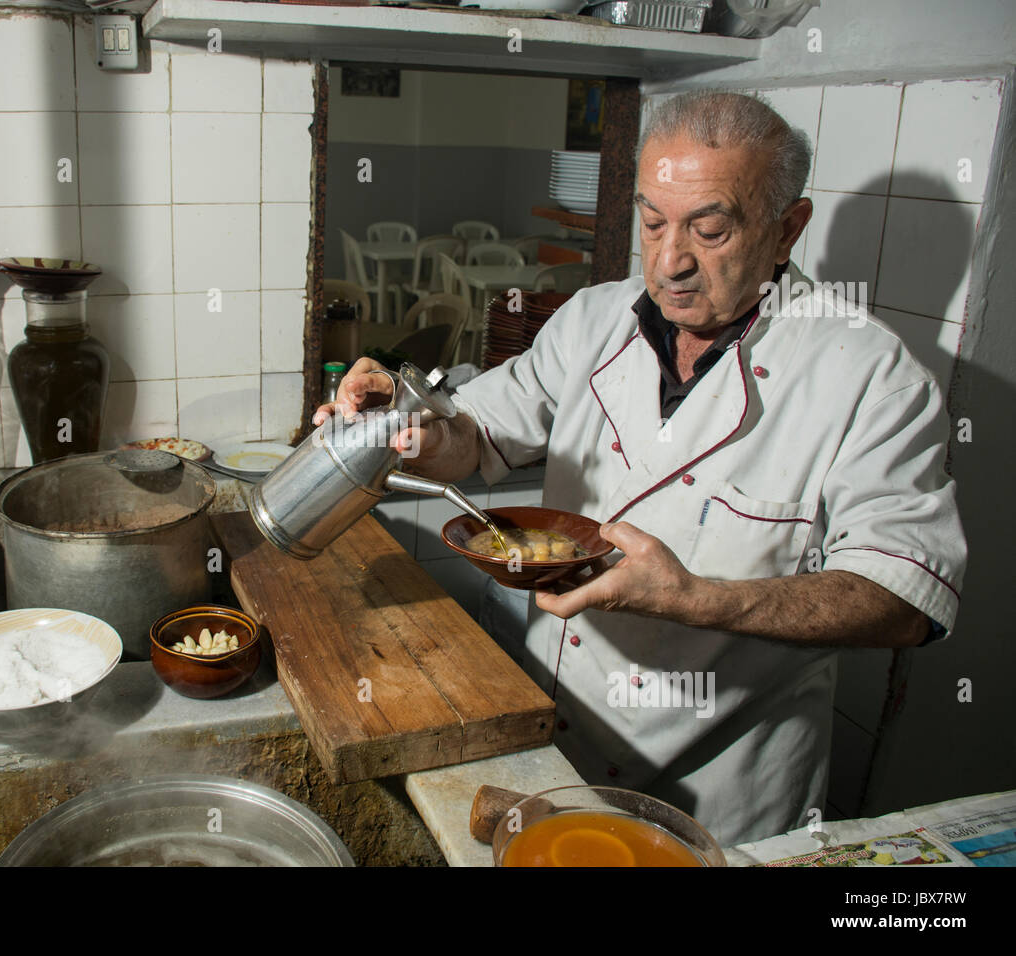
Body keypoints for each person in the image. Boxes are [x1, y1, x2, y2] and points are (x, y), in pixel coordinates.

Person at [315, 91, 966, 846]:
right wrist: (413, 426)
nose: (669, 261)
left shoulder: (869, 377)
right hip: (555, 746)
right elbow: (478, 434)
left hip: (720, 788)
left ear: (788, 229)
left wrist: (693, 598)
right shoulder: (594, 318)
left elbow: (905, 599)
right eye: (652, 221)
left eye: (710, 228)